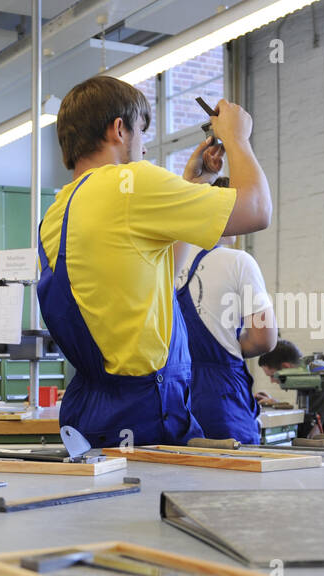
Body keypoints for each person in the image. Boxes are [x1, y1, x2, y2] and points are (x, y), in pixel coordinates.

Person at [36, 76, 272, 447]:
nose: (144, 149)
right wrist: (238, 137)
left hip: (93, 410)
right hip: (146, 407)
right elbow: (257, 210)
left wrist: (195, 182)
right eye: (142, 132)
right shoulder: (130, 181)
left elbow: (161, 267)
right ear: (119, 129)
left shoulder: (57, 211)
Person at [174, 177, 277, 444]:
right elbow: (264, 338)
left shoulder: (168, 259)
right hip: (220, 397)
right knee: (232, 480)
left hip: (172, 394)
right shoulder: (239, 262)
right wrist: (229, 343)